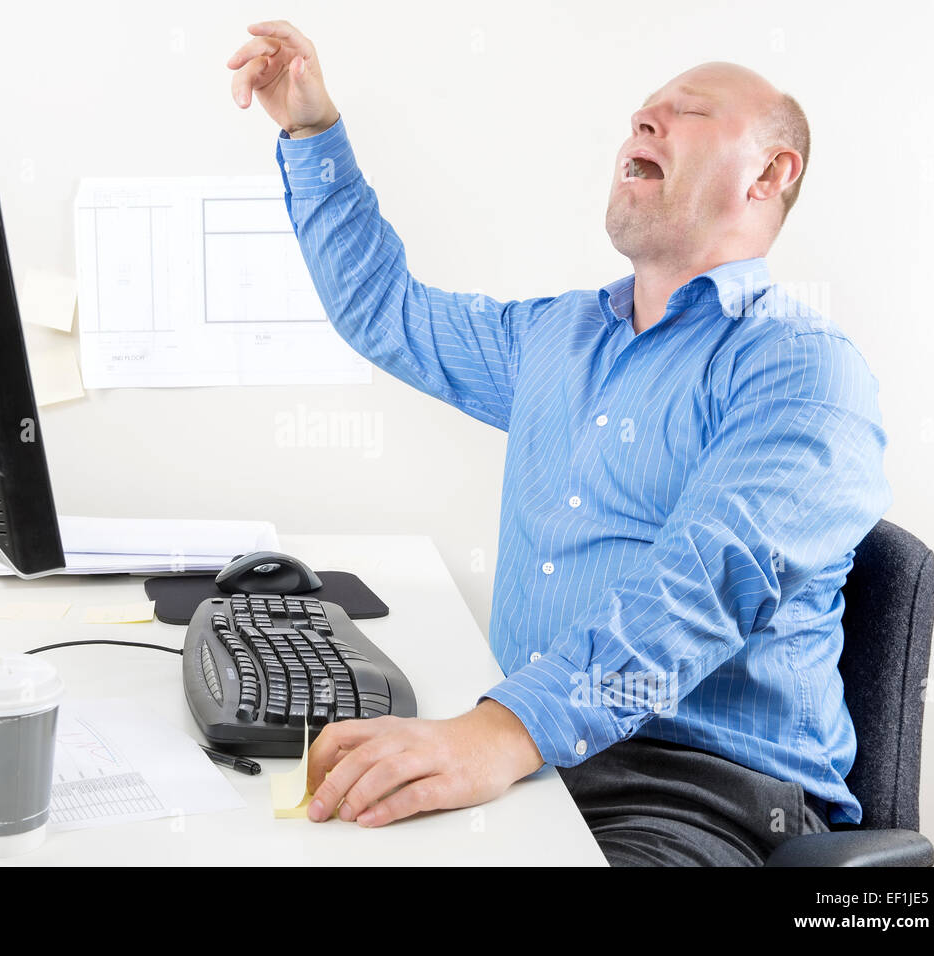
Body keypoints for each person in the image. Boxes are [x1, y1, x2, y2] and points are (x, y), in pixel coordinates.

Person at [228, 20, 891, 865]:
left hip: (699, 795)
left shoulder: (801, 366)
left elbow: (706, 587)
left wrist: (504, 731)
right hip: (534, 766)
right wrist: (312, 132)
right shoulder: (558, 337)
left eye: (684, 113)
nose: (643, 122)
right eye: (641, 114)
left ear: (770, 172)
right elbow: (384, 311)